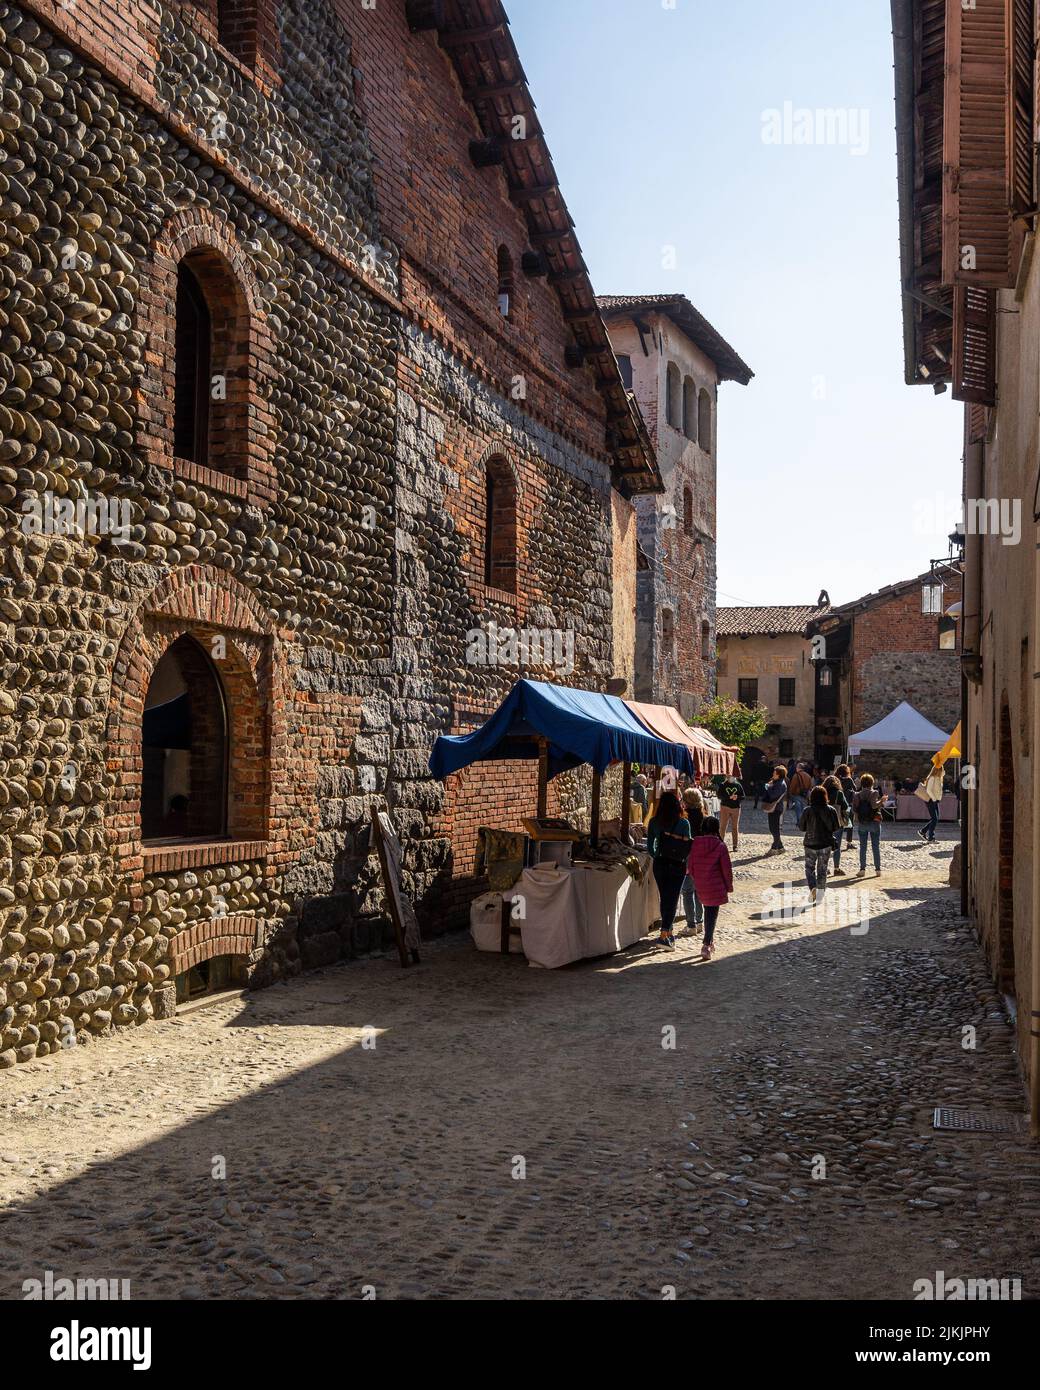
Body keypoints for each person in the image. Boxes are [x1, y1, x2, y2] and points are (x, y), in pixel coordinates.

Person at [646, 790, 692, 948]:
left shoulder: (654, 822)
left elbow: (649, 847)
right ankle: (664, 934)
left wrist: (657, 855)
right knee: (672, 899)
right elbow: (687, 846)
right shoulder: (684, 823)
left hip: (660, 863)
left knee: (665, 897)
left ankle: (668, 930)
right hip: (677, 864)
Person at [687, 816, 733, 962]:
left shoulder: (695, 844)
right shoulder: (720, 846)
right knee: (711, 914)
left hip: (701, 884)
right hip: (716, 885)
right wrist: (729, 886)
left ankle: (709, 941)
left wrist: (697, 879)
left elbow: (691, 866)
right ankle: (707, 944)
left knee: (708, 911)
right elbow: (727, 870)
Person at [799, 785, 840, 904]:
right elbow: (836, 827)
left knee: (809, 868)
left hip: (810, 843)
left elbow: (802, 827)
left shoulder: (807, 810)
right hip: (825, 843)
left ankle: (813, 887)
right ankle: (820, 894)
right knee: (822, 869)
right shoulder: (831, 810)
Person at [680, 788, 705, 933]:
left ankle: (691, 925)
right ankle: (699, 921)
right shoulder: (704, 817)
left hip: (690, 857)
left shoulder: (685, 819)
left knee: (687, 890)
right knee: (697, 890)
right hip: (702, 858)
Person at [853, 772, 884, 877]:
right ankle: (878, 870)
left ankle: (862, 869)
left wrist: (857, 819)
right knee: (875, 846)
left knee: (863, 847)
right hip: (874, 822)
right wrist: (882, 801)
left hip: (862, 823)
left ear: (861, 783)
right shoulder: (874, 792)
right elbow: (874, 806)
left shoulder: (857, 795)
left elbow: (855, 809)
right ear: (872, 783)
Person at [823, 774, 851, 876]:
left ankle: (824, 868)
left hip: (824, 823)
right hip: (837, 822)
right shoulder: (839, 794)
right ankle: (836, 868)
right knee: (837, 846)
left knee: (825, 846)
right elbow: (846, 806)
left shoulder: (822, 792)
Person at [762, 765, 788, 855]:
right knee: (773, 828)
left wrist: (768, 787)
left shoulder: (780, 784)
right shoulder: (777, 782)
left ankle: (774, 848)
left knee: (774, 828)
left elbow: (774, 795)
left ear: (778, 774)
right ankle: (780, 847)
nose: (773, 773)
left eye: (774, 772)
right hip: (775, 808)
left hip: (776, 808)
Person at [717, 772, 745, 852]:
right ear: (726, 776)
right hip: (725, 807)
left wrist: (737, 797)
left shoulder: (738, 785)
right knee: (723, 826)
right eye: (729, 776)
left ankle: (735, 845)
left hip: (736, 808)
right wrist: (729, 797)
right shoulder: (723, 785)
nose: (730, 777)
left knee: (735, 827)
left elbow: (743, 796)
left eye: (732, 776)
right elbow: (719, 796)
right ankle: (720, 843)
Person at [917, 764, 944, 844]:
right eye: (942, 770)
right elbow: (929, 790)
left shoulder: (938, 778)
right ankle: (931, 837)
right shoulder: (932, 778)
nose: (943, 771)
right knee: (935, 818)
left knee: (935, 818)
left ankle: (923, 831)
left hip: (935, 800)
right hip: (931, 800)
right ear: (938, 770)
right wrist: (934, 799)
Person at [837, 764, 857, 850]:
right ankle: (849, 842)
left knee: (838, 823)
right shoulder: (849, 779)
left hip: (838, 804)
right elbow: (855, 788)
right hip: (847, 804)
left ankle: (836, 841)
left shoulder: (836, 779)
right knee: (849, 824)